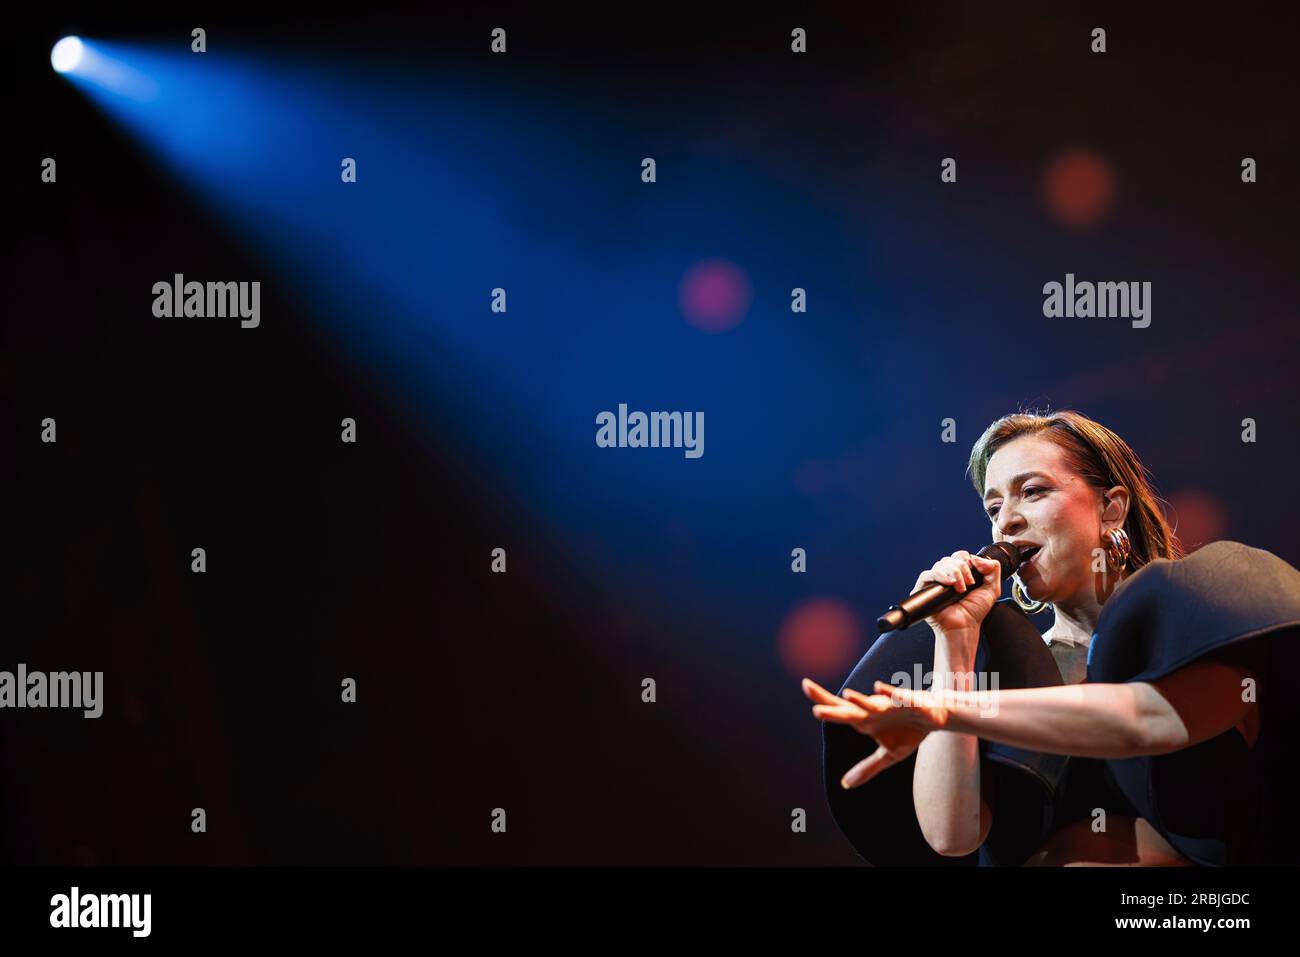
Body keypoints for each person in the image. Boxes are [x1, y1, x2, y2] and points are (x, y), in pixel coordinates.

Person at [804, 409, 1300, 866]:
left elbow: (1147, 719)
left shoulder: (1199, 608)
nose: (1006, 520)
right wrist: (955, 644)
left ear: (1110, 509)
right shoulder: (1014, 665)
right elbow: (953, 836)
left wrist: (948, 711)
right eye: (993, 506)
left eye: (1033, 491)